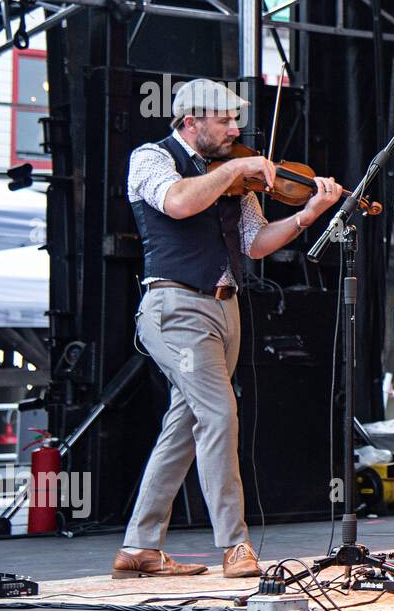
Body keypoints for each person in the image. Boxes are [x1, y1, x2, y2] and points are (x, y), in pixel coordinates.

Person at [118, 78, 343, 578]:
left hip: (224, 307)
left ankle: (139, 546)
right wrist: (238, 167)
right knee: (220, 414)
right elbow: (177, 203)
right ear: (191, 121)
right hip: (175, 307)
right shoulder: (151, 158)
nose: (236, 130)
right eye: (224, 121)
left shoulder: (230, 176)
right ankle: (234, 545)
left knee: (184, 425)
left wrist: (308, 214)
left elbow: (257, 243)